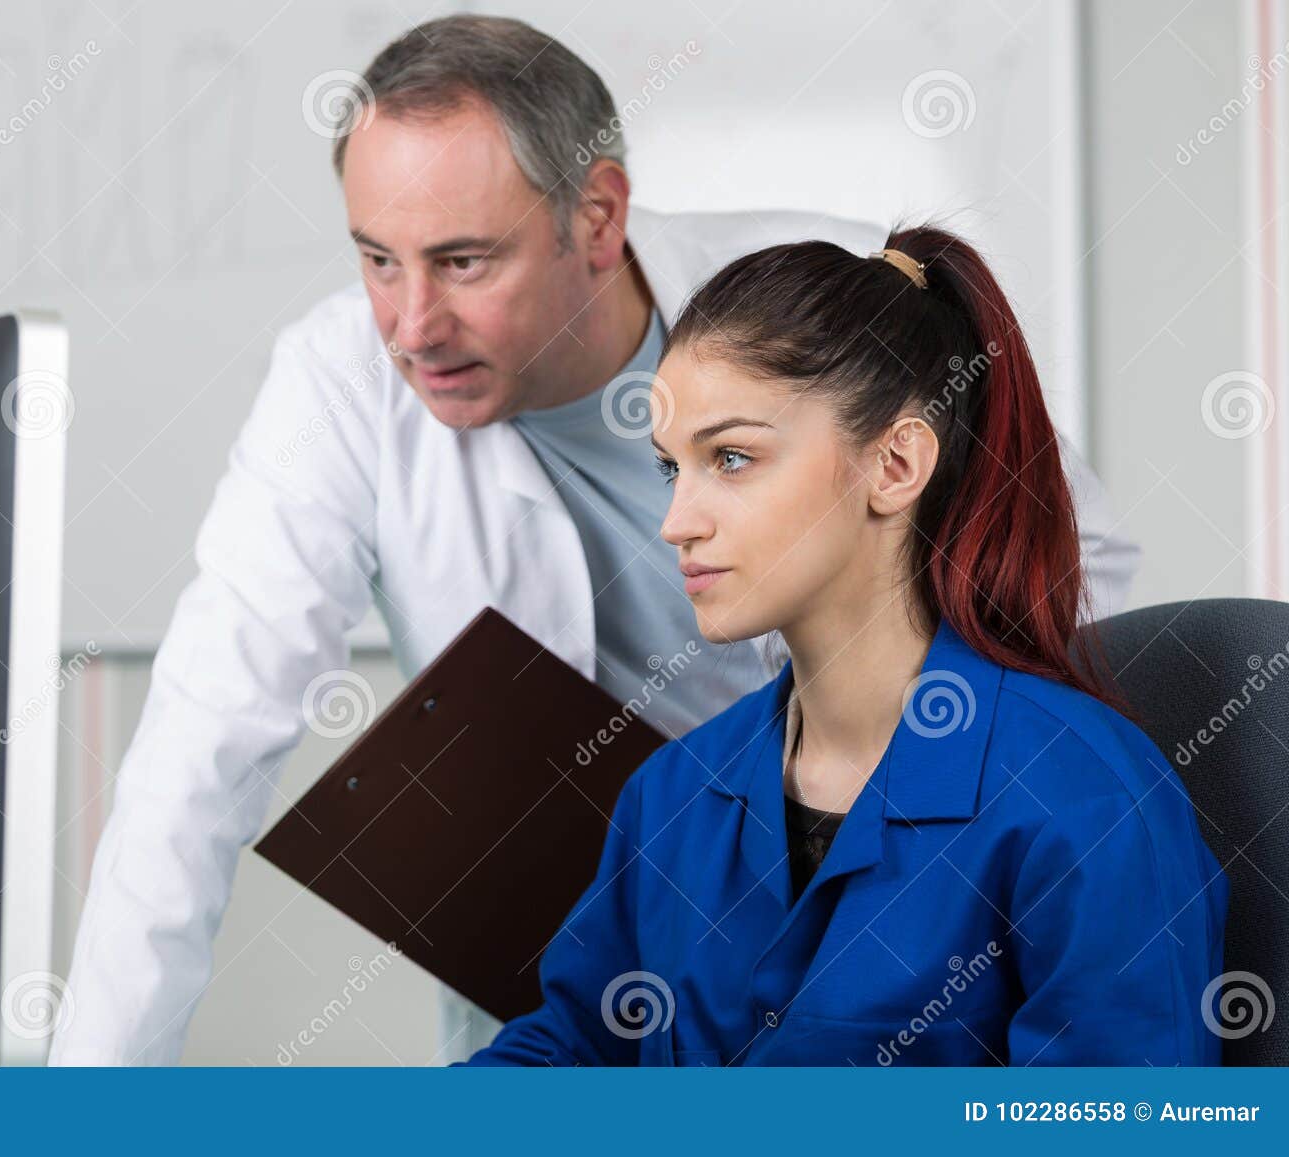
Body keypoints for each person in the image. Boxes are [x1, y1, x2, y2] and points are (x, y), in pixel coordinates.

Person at [50, 15, 1140, 1065]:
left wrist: (894, 794)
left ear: (598, 216)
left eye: (464, 262)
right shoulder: (339, 382)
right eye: (377, 260)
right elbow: (196, 753)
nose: (411, 326)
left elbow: (1063, 555)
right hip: (627, 926)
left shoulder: (820, 307)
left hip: (889, 903)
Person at [461, 229, 1228, 1066]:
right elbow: (569, 1050)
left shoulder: (1083, 802)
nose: (676, 522)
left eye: (731, 457)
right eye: (671, 469)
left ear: (895, 464)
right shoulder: (673, 794)